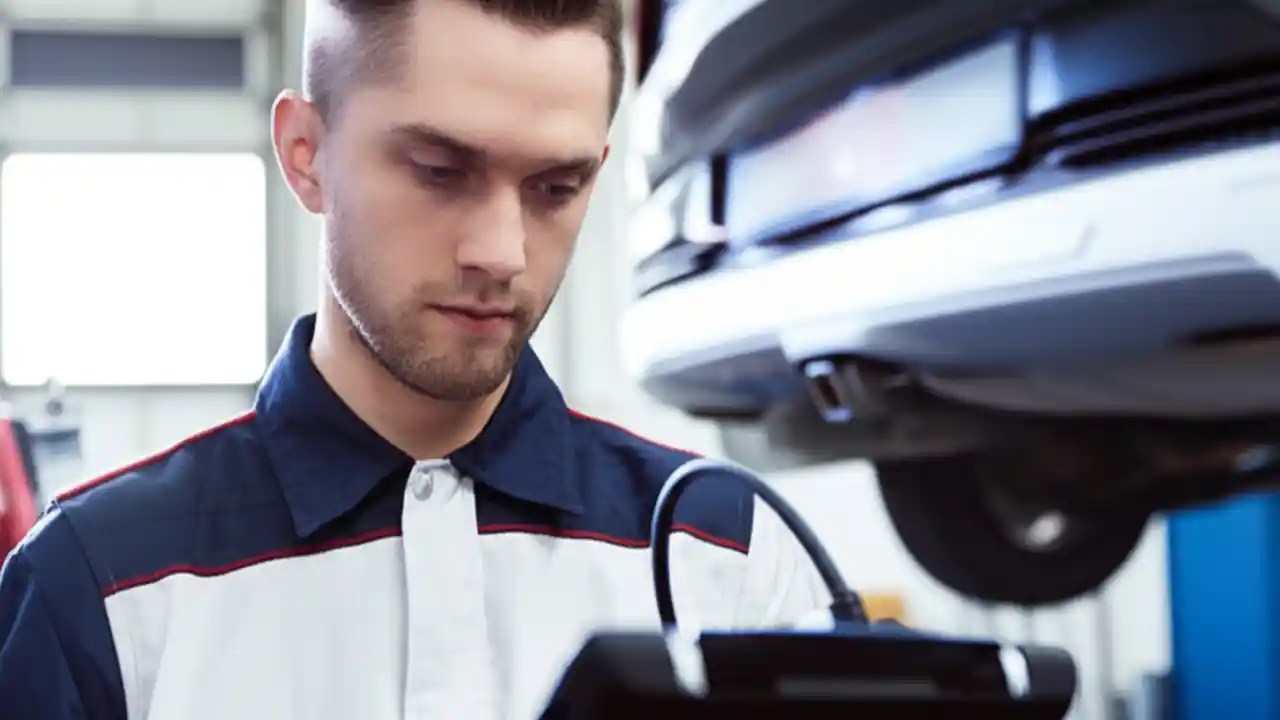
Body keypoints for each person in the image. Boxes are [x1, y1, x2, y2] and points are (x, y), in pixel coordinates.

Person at [0, 1, 829, 718]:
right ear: (305, 154)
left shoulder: (728, 559)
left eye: (554, 187)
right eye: (440, 171)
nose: (502, 253)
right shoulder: (99, 587)